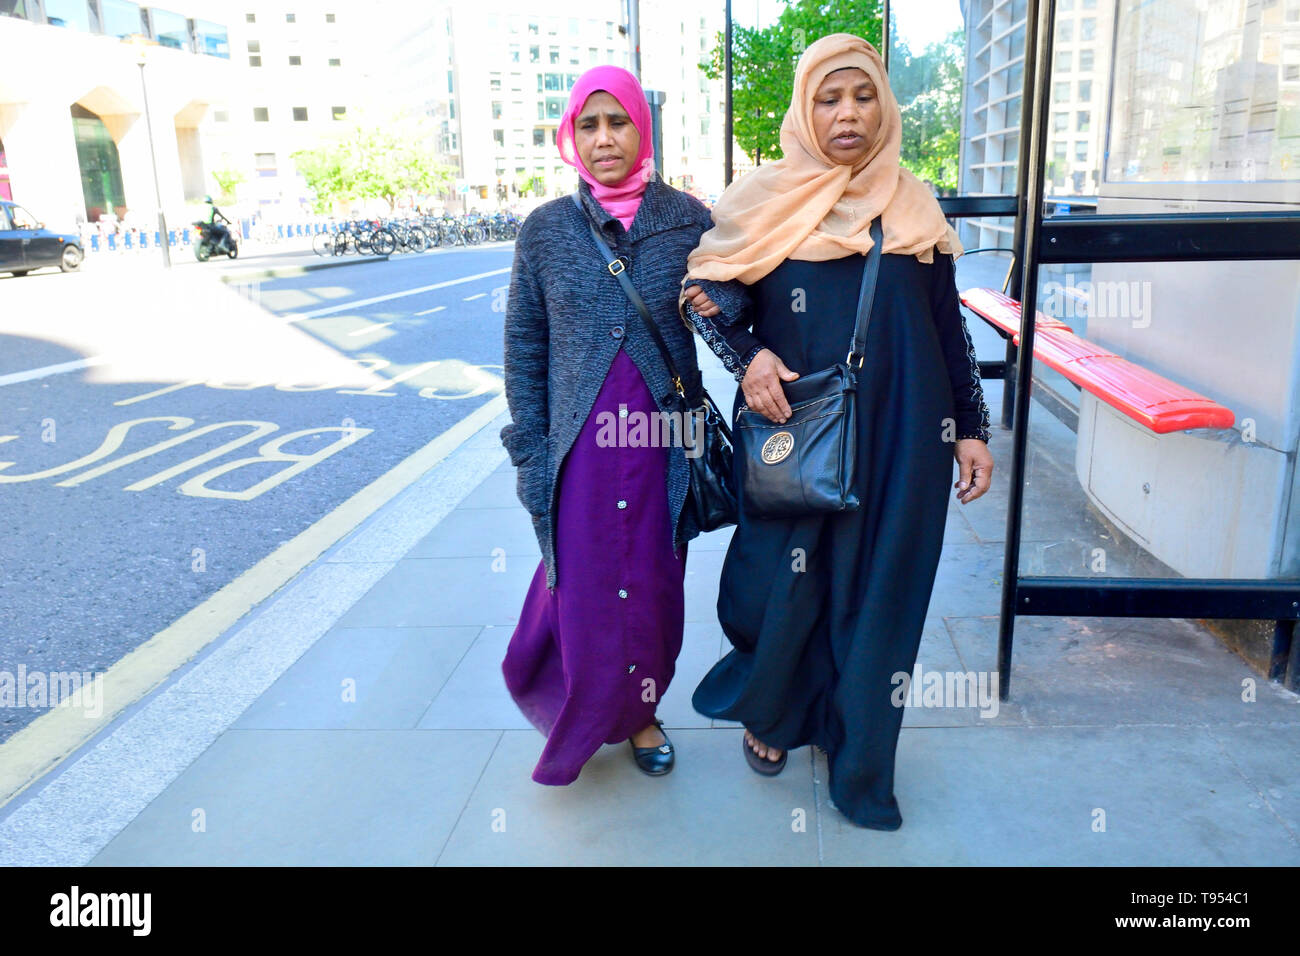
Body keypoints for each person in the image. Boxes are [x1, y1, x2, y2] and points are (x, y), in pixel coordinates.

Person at [679, 33, 995, 830]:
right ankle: (775, 710)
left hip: (905, 439)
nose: (847, 113)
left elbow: (944, 325)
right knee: (779, 586)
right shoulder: (763, 200)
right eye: (829, 97)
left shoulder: (913, 202)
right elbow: (711, 298)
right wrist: (749, 360)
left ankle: (859, 759)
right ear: (805, 108)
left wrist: (969, 428)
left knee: (880, 593)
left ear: (883, 107)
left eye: (862, 96)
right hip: (800, 430)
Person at [499, 65, 719, 784]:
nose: (603, 139)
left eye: (617, 121)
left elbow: (733, 303)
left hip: (666, 446)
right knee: (589, 586)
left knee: (655, 584)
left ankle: (642, 714)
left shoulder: (688, 218)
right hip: (581, 452)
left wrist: (734, 316)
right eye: (587, 125)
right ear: (570, 135)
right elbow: (525, 348)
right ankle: (591, 711)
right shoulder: (544, 231)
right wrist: (531, 454)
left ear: (641, 126)